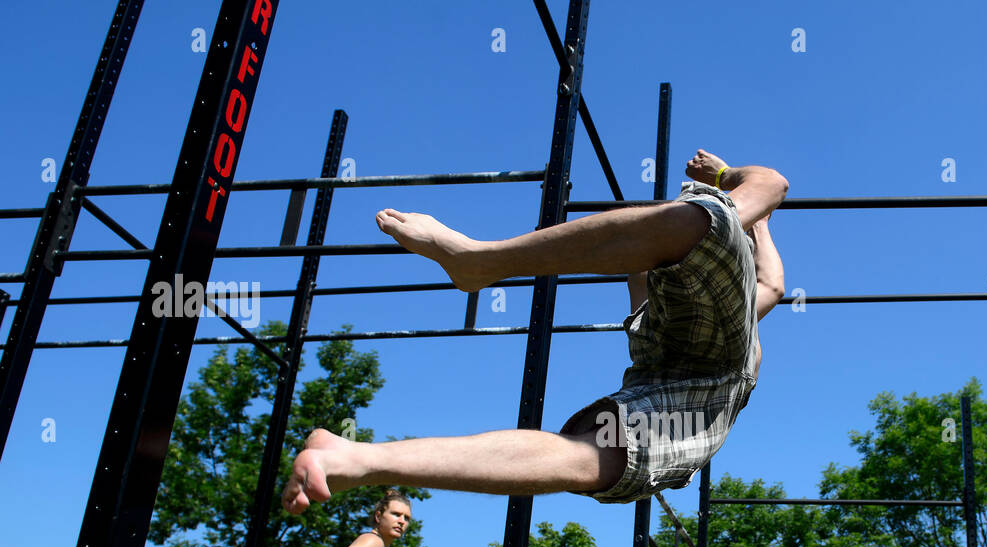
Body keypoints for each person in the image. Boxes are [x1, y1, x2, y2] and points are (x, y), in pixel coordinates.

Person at [280, 150, 788, 514]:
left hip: (692, 369)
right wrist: (731, 200)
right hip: (668, 351)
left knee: (595, 456)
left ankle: (362, 460)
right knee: (702, 223)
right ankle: (479, 262)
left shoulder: (733, 283)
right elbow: (765, 196)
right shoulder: (698, 269)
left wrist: (730, 189)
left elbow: (770, 196)